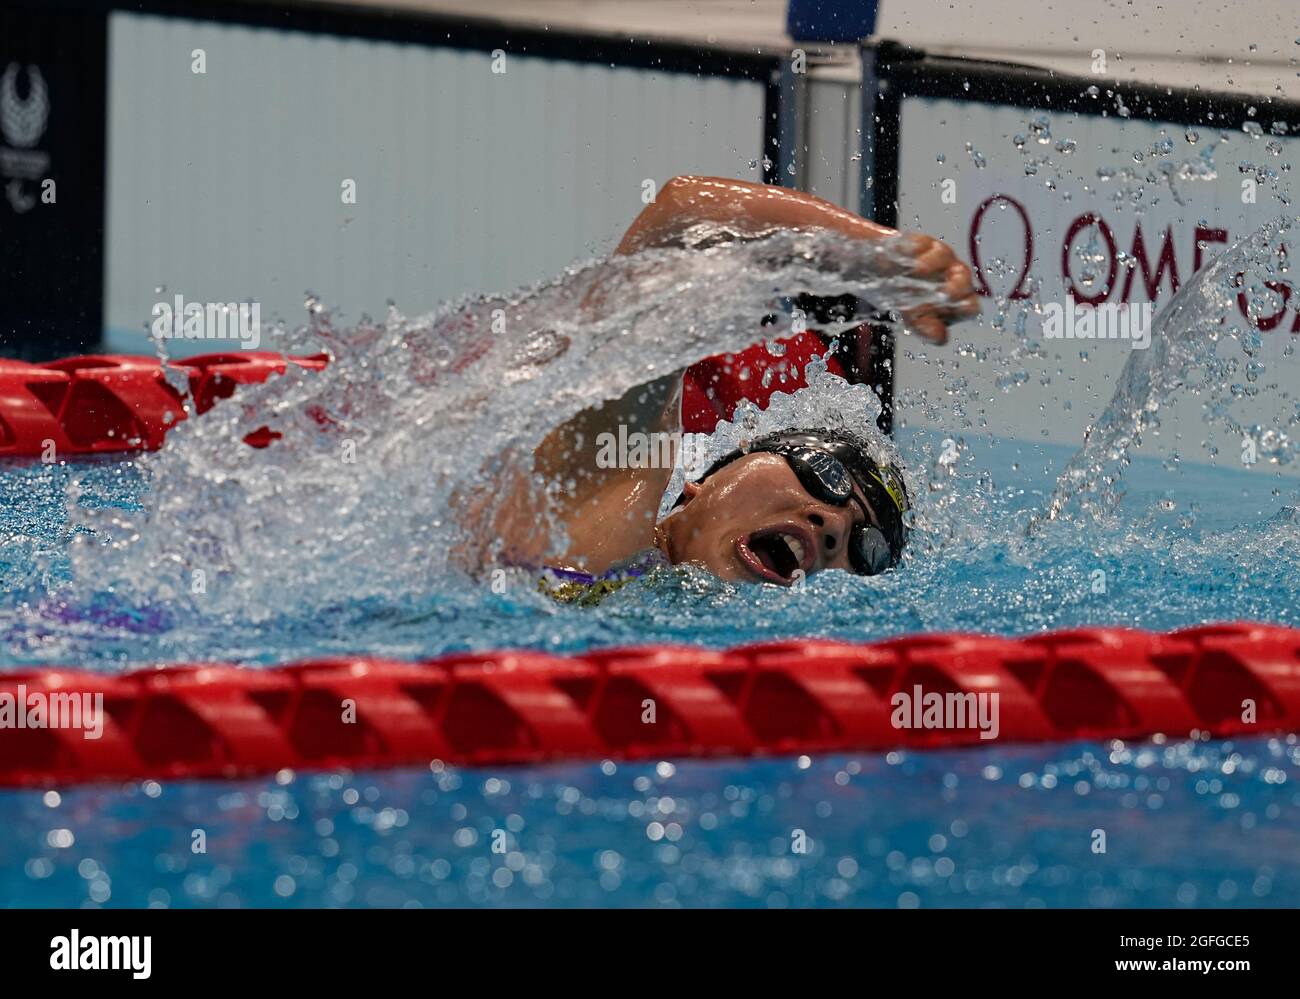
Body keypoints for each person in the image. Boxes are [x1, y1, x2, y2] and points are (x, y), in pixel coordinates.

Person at [493, 176, 979, 597]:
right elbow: (681, 221)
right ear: (698, 485)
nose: (835, 525)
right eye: (822, 474)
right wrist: (874, 253)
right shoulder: (612, 492)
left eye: (864, 547)